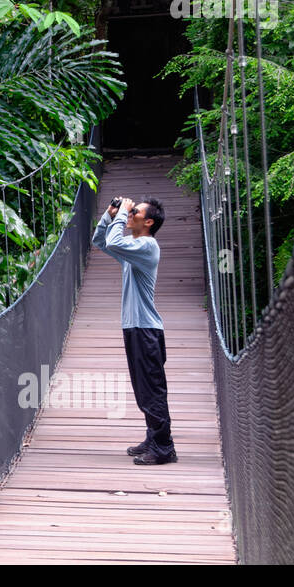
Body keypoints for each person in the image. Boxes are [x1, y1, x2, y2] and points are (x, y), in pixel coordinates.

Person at [91, 196, 175, 465]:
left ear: (148, 221)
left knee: (152, 391)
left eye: (134, 211)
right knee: (143, 390)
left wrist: (120, 214)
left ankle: (163, 448)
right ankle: (154, 438)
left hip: (145, 329)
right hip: (136, 327)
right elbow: (100, 241)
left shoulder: (147, 245)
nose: (129, 213)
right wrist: (109, 214)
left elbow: (114, 241)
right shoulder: (134, 248)